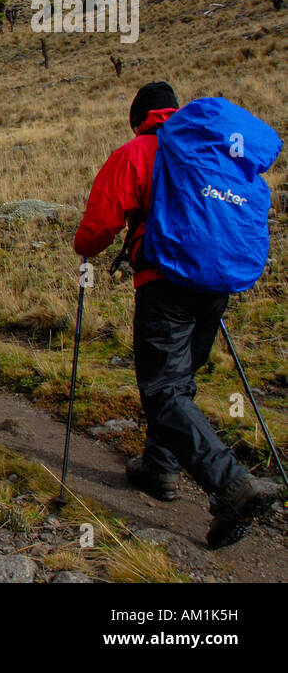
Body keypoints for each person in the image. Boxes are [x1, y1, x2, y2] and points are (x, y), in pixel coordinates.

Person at [73, 81, 280, 549]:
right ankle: (160, 467)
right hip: (218, 282)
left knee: (163, 389)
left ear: (139, 117)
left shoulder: (139, 151)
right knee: (181, 380)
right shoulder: (215, 151)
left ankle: (231, 484)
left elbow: (102, 222)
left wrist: (83, 247)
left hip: (164, 283)